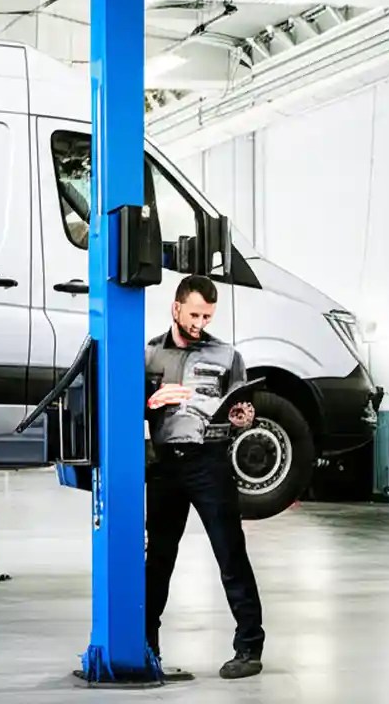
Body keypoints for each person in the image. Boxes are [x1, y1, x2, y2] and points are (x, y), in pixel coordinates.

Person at [143, 274, 265, 680]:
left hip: (209, 462)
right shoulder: (149, 355)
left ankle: (249, 647)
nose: (200, 323)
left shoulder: (227, 355)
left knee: (230, 553)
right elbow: (127, 410)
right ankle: (146, 644)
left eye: (207, 316)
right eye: (194, 314)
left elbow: (242, 408)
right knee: (157, 559)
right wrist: (150, 401)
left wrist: (243, 419)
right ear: (176, 308)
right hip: (163, 466)